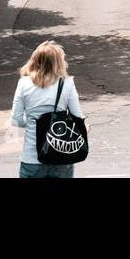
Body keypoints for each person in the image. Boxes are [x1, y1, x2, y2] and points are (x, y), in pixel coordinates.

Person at [11, 40, 84, 179]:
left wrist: (36, 122)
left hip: (32, 158)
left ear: (35, 60)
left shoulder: (24, 83)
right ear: (58, 62)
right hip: (61, 157)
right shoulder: (67, 83)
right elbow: (77, 117)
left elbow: (16, 120)